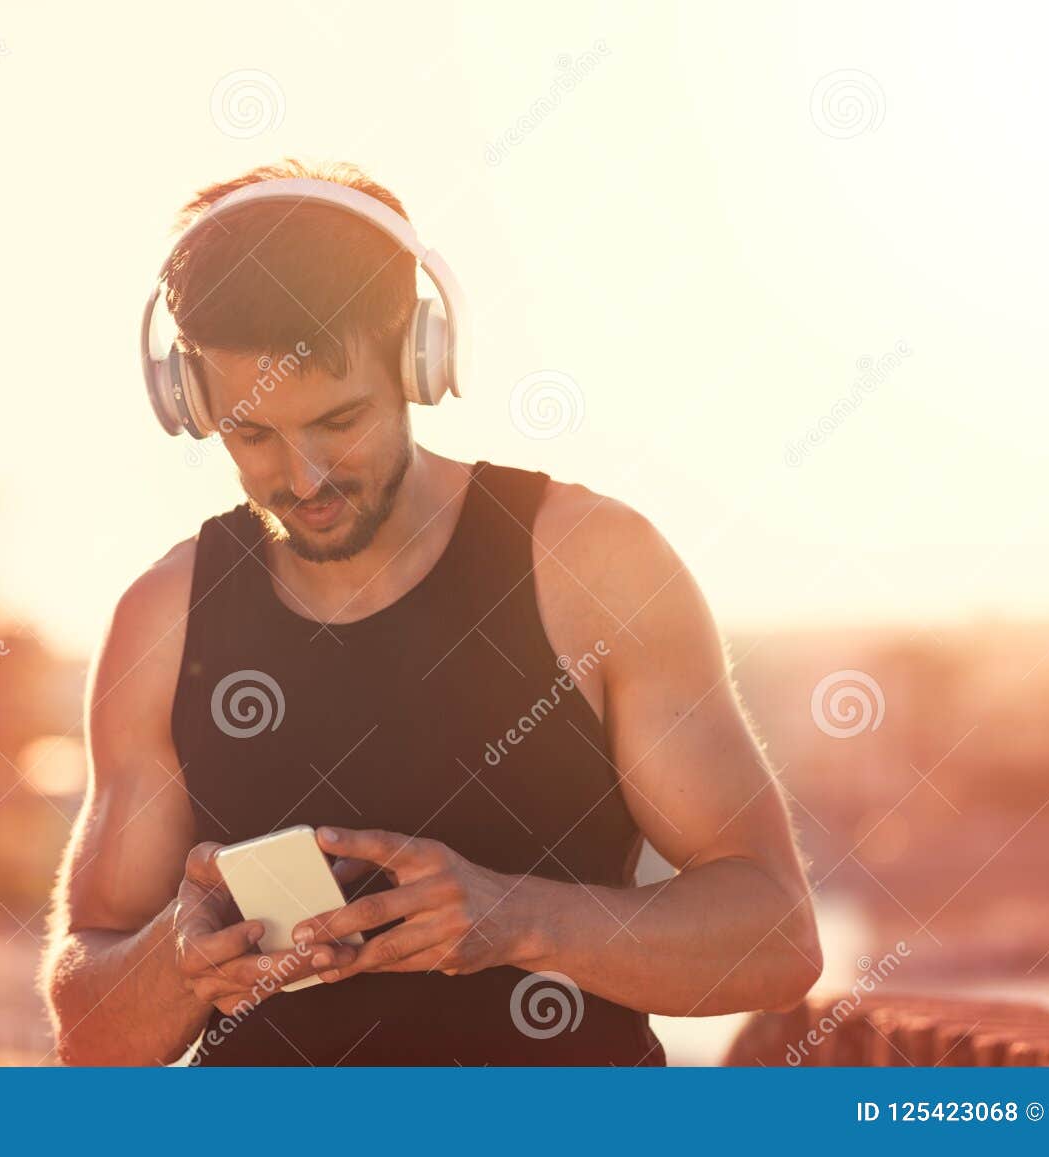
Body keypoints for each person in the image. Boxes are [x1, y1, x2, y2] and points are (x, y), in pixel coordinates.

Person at [41, 159, 821, 1065]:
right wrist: (179, 965)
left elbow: (778, 940)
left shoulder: (591, 566)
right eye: (253, 435)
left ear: (422, 358)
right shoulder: (163, 619)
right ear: (188, 399)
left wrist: (516, 917)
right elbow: (87, 1029)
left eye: (340, 420)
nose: (305, 478)